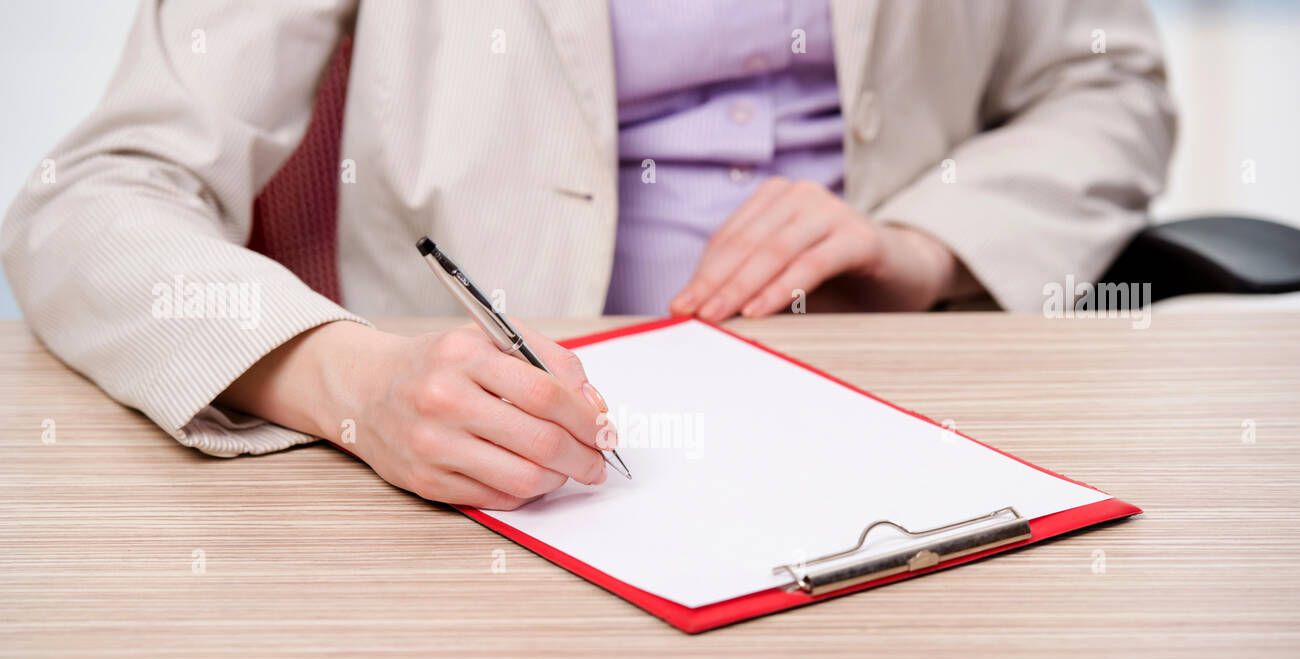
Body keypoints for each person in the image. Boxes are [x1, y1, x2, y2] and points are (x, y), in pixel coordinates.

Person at [1, 0, 1175, 509]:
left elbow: (1108, 85)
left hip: (921, 415)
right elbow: (92, 202)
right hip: (531, 471)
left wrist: (927, 241)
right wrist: (347, 380)